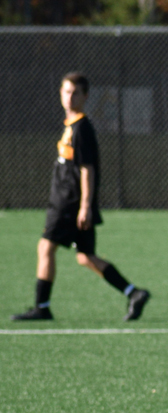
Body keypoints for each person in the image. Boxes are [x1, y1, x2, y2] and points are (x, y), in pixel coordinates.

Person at [11, 72, 150, 323]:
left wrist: (85, 205)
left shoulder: (83, 127)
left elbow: (88, 168)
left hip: (70, 202)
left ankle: (42, 307)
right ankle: (134, 292)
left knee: (45, 246)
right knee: (85, 257)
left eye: (75, 92)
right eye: (66, 91)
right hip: (69, 201)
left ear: (85, 96)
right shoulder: (71, 125)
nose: (70, 97)